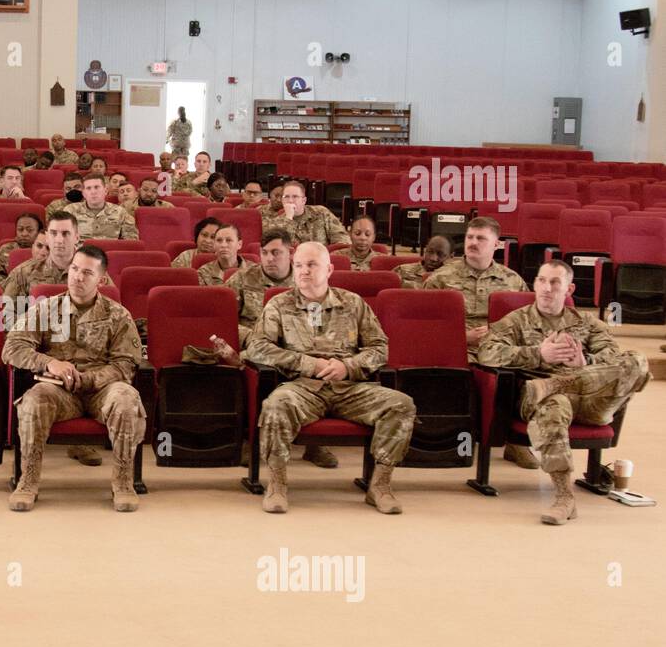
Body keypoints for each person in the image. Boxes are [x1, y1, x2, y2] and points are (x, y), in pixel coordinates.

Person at [245, 241, 415, 514]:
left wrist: (348, 366)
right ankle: (277, 484)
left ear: (329, 269)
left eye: (311, 265)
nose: (303, 271)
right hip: (304, 387)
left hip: (350, 387)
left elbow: (380, 348)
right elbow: (258, 347)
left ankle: (379, 485)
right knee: (276, 405)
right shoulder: (280, 304)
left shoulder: (352, 303)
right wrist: (307, 363)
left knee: (401, 404)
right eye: (298, 265)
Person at [477, 260, 651, 525]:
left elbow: (613, 356)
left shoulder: (587, 323)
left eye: (555, 282)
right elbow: (487, 352)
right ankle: (563, 497)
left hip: (590, 396)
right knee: (553, 405)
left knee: (637, 361)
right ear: (534, 284)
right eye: (542, 281)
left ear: (569, 288)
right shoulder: (517, 320)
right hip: (540, 394)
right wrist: (537, 354)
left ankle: (567, 381)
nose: (547, 288)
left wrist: (585, 363)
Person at [3, 246, 146, 512]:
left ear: (101, 280)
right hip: (61, 393)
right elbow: (12, 348)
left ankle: (123, 481)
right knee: (35, 398)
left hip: (101, 392)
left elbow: (125, 364)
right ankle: (29, 479)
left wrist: (89, 379)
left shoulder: (118, 315)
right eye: (75, 269)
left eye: (87, 273)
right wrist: (50, 363)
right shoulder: (46, 309)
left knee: (126, 398)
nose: (78, 277)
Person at [420, 216, 535, 467]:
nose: (473, 242)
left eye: (481, 238)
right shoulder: (441, 278)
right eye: (470, 237)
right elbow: (424, 327)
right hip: (456, 350)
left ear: (497, 244)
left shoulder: (513, 281)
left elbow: (527, 324)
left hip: (498, 349)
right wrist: (462, 337)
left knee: (523, 373)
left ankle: (516, 442)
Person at [2, 211, 115, 301]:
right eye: (53, 233)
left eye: (66, 233)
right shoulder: (23, 272)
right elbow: (8, 314)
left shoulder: (93, 271)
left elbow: (112, 308)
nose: (59, 240)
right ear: (47, 237)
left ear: (76, 237)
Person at [224, 228, 294, 348]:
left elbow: (317, 323)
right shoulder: (242, 278)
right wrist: (251, 337)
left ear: (291, 253)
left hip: (295, 348)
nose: (269, 259)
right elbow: (224, 319)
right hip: (252, 347)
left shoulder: (305, 281)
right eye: (264, 252)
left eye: (275, 252)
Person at [262, 180, 347, 246]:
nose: (290, 200)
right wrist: (288, 218)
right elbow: (279, 247)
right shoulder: (275, 223)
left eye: (295, 196)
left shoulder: (321, 213)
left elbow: (342, 239)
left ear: (304, 200)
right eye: (286, 197)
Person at [63, 175, 139, 240]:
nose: (93, 192)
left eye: (97, 187)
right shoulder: (70, 210)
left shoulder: (120, 212)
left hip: (109, 254)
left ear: (105, 190)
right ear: (84, 193)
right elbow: (63, 238)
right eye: (88, 188)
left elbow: (131, 241)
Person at [0, 212, 43, 285]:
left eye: (30, 230)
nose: (24, 234)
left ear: (38, 232)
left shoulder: (45, 249)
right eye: (20, 229)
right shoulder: (6, 249)